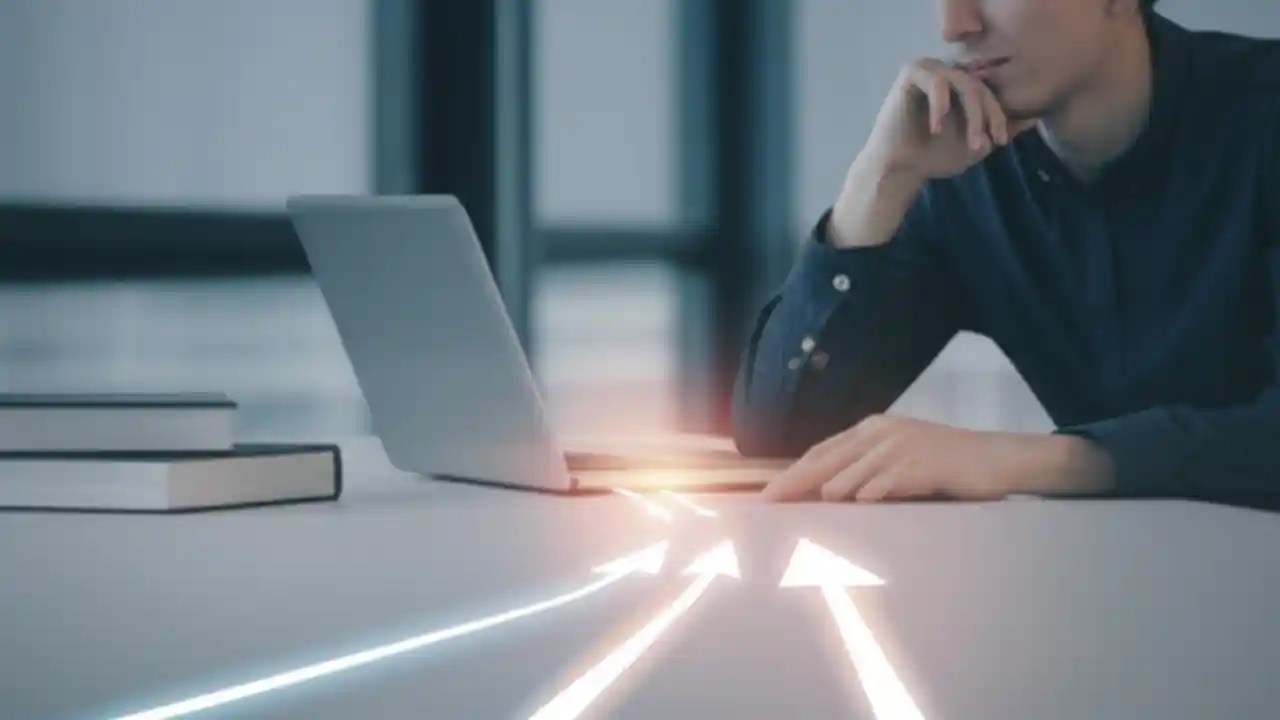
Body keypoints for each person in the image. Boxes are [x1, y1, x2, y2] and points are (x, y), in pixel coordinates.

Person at [733, 0, 1280, 503]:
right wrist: (878, 180)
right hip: (1117, 587)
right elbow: (778, 440)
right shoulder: (967, 171)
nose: (954, 25)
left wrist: (1029, 459)